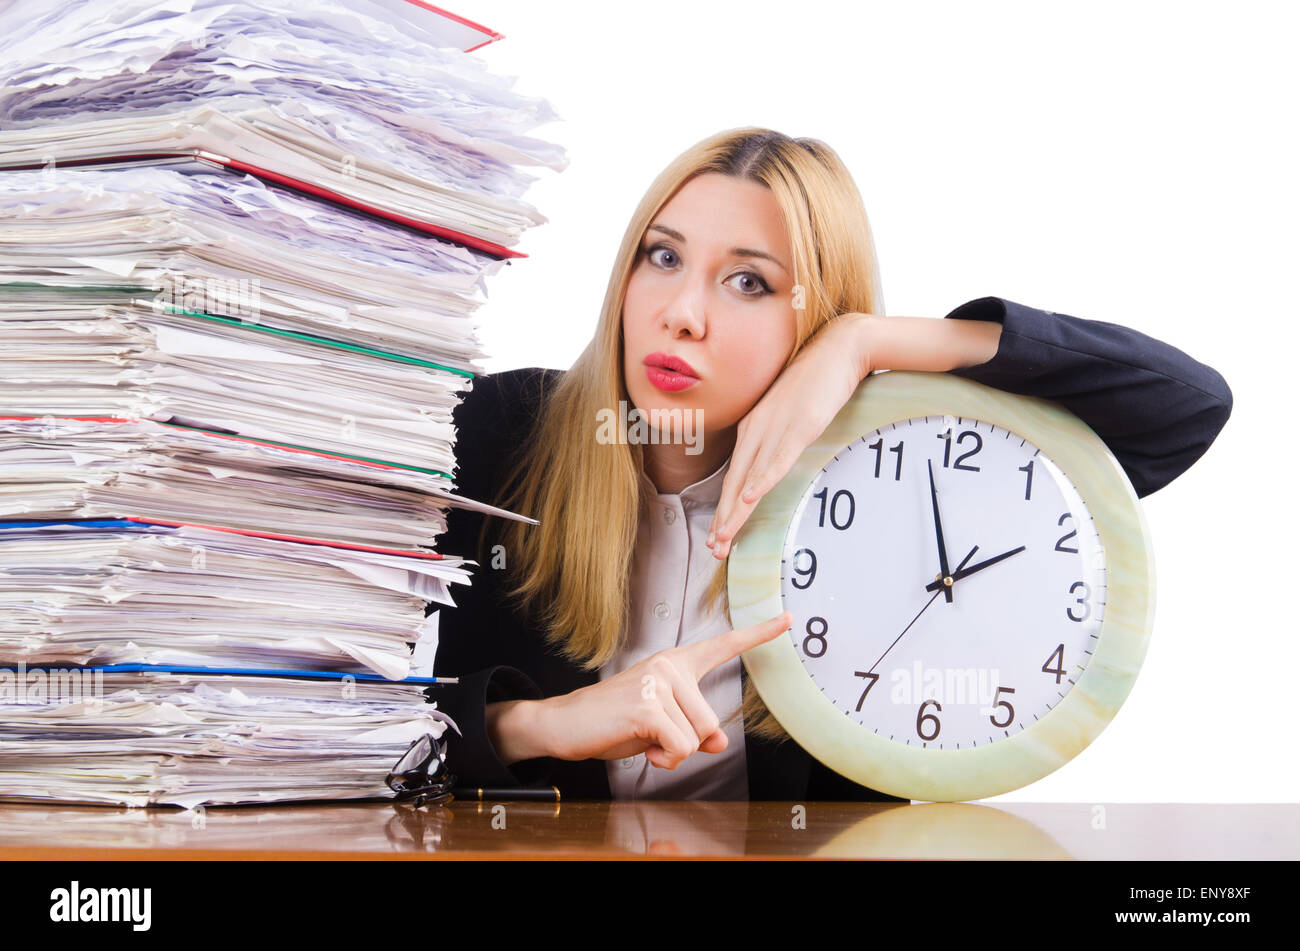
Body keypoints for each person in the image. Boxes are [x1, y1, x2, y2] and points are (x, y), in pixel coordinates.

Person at [431, 127, 1232, 801]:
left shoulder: (879, 476)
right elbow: (346, 717)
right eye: (663, 257)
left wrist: (868, 341)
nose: (681, 315)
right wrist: (540, 723)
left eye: (750, 281)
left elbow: (1184, 405)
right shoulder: (497, 431)